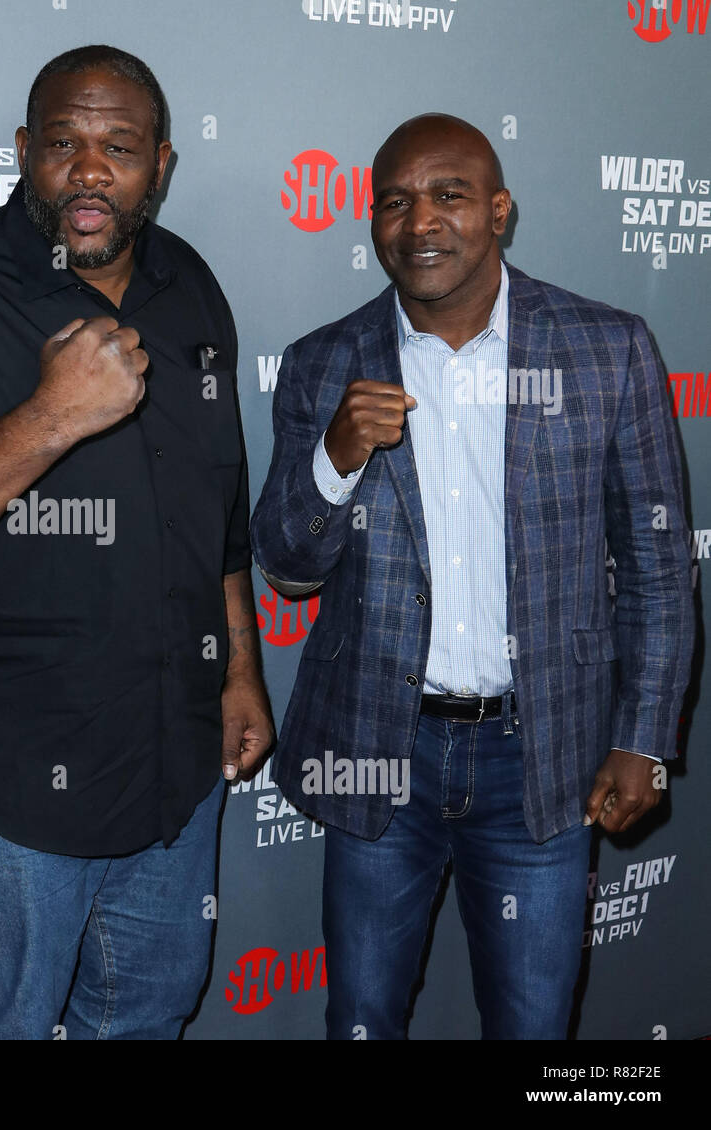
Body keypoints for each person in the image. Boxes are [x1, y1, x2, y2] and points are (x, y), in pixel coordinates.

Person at [0, 44, 273, 1040]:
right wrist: (49, 416)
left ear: (161, 164)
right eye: (62, 145)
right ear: (22, 153)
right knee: (6, 1019)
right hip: (10, 773)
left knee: (147, 1013)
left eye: (117, 148)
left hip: (173, 754)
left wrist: (240, 668)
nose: (89, 171)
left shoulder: (191, 290)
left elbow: (220, 502)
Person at [250, 113, 694, 1039]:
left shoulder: (607, 351)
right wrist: (335, 455)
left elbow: (658, 570)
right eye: (396, 202)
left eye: (450, 195)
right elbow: (287, 567)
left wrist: (644, 737)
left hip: (546, 755)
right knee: (363, 1016)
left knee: (534, 1028)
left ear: (500, 211)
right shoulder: (322, 362)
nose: (422, 223)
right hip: (379, 750)